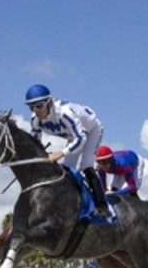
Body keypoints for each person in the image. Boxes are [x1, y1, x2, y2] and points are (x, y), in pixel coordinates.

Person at [25, 84, 108, 216]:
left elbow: (81, 139)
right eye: (31, 107)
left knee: (86, 165)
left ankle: (102, 206)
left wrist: (60, 153)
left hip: (91, 131)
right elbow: (35, 143)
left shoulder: (65, 113)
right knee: (67, 170)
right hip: (73, 136)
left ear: (49, 103)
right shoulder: (35, 120)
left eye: (39, 106)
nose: (36, 111)